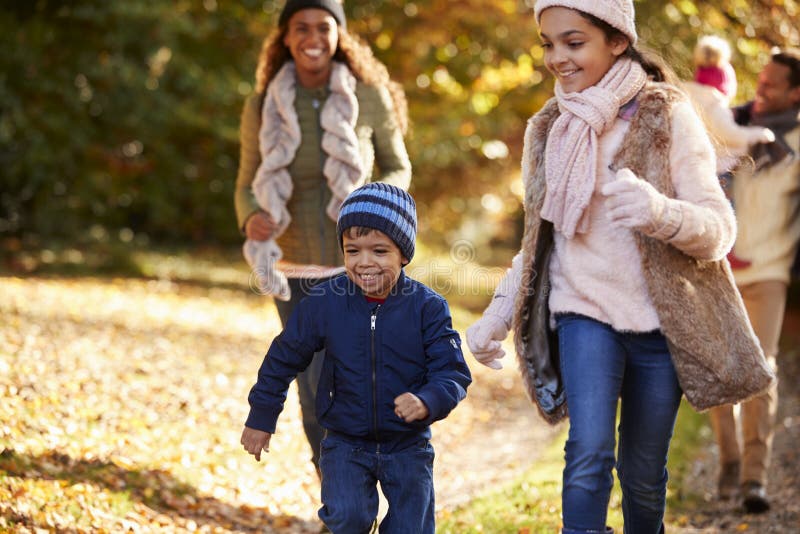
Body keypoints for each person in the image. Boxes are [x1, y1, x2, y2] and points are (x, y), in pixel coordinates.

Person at [465, 1, 775, 532]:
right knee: (588, 452)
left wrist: (659, 213)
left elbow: (719, 230)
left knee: (644, 473)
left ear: (617, 41)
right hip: (583, 313)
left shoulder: (666, 113)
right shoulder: (548, 129)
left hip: (659, 324)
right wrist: (497, 316)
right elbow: (537, 243)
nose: (557, 57)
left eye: (574, 42)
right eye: (548, 43)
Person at [234, 0, 412, 474]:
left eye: (323, 28)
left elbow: (397, 164)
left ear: (339, 36)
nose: (312, 37)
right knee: (314, 391)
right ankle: (339, 500)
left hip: (356, 264)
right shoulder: (262, 105)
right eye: (301, 28)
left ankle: (379, 478)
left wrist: (377, 205)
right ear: (285, 38)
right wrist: (252, 214)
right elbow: (247, 179)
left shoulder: (369, 95)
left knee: (364, 383)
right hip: (292, 272)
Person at [240, 183, 472, 534]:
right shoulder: (325, 302)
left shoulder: (427, 308)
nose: (365, 262)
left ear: (403, 254)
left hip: (408, 444)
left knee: (411, 528)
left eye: (379, 250)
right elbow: (282, 358)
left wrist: (427, 400)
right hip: (345, 441)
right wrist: (261, 416)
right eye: (352, 250)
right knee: (347, 518)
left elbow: (452, 372)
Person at [708, 48, 800, 513]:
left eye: (772, 83)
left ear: (795, 92)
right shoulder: (732, 127)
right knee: (723, 371)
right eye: (759, 79)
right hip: (720, 269)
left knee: (760, 370)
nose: (760, 87)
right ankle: (727, 459)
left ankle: (753, 479)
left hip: (769, 273)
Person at [681, 35, 775, 269]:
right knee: (729, 207)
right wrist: (759, 134)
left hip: (691, 165)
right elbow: (731, 136)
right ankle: (731, 250)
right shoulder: (713, 105)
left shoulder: (689, 97)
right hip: (715, 170)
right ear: (724, 84)